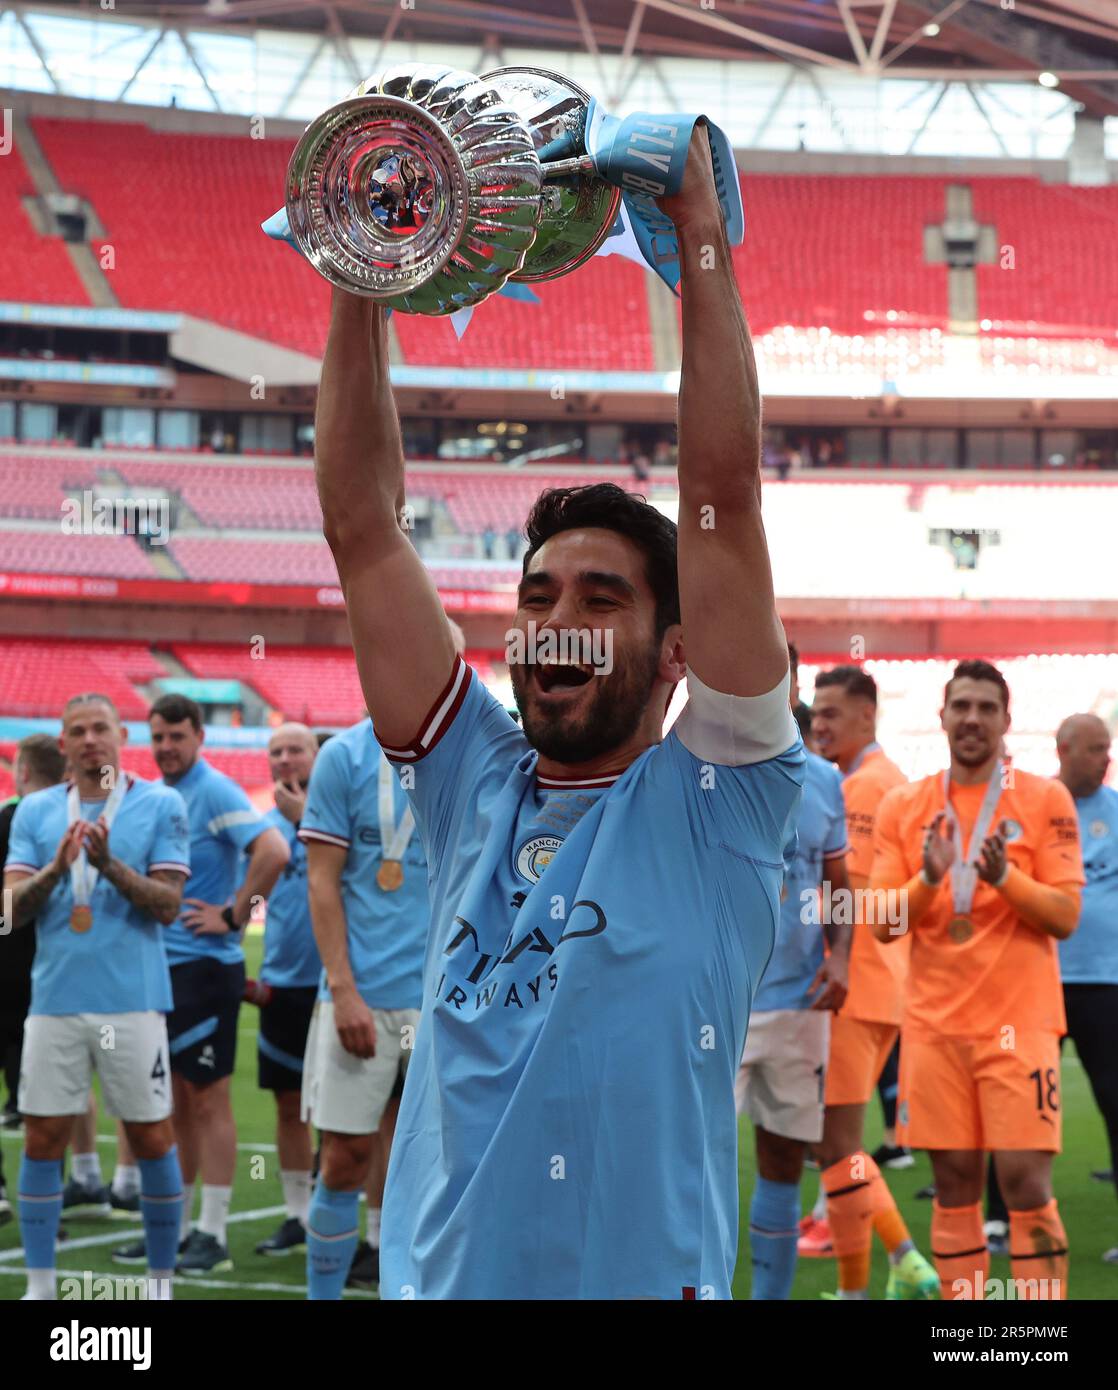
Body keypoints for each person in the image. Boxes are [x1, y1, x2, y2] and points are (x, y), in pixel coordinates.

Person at [314, 126, 804, 1299]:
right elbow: (363, 524)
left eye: (600, 597)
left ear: (675, 648)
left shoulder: (722, 793)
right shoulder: (465, 777)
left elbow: (720, 506)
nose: (558, 623)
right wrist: (359, 273)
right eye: (536, 598)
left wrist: (697, 247)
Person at [870, 660, 1083, 1301]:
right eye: (961, 705)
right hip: (934, 1031)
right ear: (941, 717)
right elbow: (881, 922)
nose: (972, 718)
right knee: (956, 1187)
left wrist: (1002, 879)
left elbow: (1066, 915)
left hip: (1021, 1027)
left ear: (1006, 720)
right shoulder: (905, 804)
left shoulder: (1044, 799)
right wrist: (931, 879)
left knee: (1025, 1186)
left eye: (986, 707)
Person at [5, 694, 190, 1299]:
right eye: (77, 730)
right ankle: (39, 1285)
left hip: (133, 1002)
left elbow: (168, 906)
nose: (90, 740)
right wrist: (57, 870)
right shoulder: (34, 811)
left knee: (152, 1138)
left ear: (120, 736)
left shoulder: (160, 803)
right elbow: (10, 910)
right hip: (53, 1003)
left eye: (100, 728)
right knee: (42, 1137)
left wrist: (107, 865)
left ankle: (159, 1283)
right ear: (62, 744)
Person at [297, 620, 461, 1297]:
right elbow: (322, 880)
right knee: (345, 1157)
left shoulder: (469, 759)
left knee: (436, 1168)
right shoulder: (344, 757)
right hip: (361, 994)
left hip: (446, 1001)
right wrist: (343, 990)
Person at [113, 693, 288, 1274]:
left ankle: (211, 1232)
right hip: (157, 970)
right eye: (157, 736)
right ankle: (178, 1226)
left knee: (207, 1099)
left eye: (177, 737)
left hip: (205, 968)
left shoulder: (213, 789)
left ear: (198, 738)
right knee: (171, 1100)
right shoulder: (158, 797)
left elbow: (274, 850)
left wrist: (237, 915)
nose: (166, 747)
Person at [800, 664, 935, 1299]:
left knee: (836, 1145)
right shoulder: (882, 782)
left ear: (867, 717)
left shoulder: (864, 788)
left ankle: (894, 1266)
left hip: (853, 985)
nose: (819, 724)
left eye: (831, 713)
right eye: (816, 713)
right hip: (877, 985)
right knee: (836, 1143)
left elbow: (847, 897)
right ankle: (885, 1271)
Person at [736, 643, 850, 1300]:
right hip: (713, 1003)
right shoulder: (699, 769)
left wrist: (841, 956)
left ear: (793, 684)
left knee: (782, 1156)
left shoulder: (822, 777)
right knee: (695, 1160)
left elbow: (840, 882)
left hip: (797, 998)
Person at [249, 723, 322, 1258]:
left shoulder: (344, 817)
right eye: (276, 751)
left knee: (348, 1111)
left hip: (338, 986)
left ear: (317, 756)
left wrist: (306, 823)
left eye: (296, 749)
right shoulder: (260, 831)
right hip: (281, 984)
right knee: (288, 1104)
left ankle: (354, 1217)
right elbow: (240, 899)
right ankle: (298, 1214)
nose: (285, 759)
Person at [1053, 713, 1118, 1263]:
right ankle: (1003, 1220)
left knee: (1117, 1104)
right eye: (1096, 748)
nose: (1105, 758)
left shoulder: (1117, 810)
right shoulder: (1034, 806)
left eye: (1108, 748)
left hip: (1106, 982)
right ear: (1064, 748)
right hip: (1039, 984)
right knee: (1021, 1107)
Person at [0, 734, 66, 1224]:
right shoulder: (65, 821)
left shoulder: (11, 818)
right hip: (47, 980)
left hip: (8, 973)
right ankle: (50, 1209)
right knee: (44, 1103)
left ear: (23, 771)